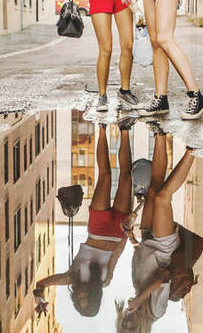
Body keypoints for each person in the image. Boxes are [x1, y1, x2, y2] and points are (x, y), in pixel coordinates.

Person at [33, 118, 138, 315]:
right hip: (117, 232)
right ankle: (124, 129)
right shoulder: (105, 281)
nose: (81, 295)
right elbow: (116, 255)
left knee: (105, 176)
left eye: (78, 299)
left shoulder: (72, 277)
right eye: (86, 298)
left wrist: (39, 298)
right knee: (126, 177)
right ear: (94, 297)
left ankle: (102, 128)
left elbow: (41, 283)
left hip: (97, 229)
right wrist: (127, 232)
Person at [115, 132, 203, 333]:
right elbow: (162, 277)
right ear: (142, 330)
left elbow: (143, 261)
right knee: (163, 197)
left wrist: (131, 237)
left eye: (124, 326)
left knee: (154, 187)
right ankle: (193, 151)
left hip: (146, 236)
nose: (128, 324)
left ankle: (160, 134)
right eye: (132, 329)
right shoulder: (156, 310)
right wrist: (141, 298)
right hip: (164, 246)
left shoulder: (136, 291)